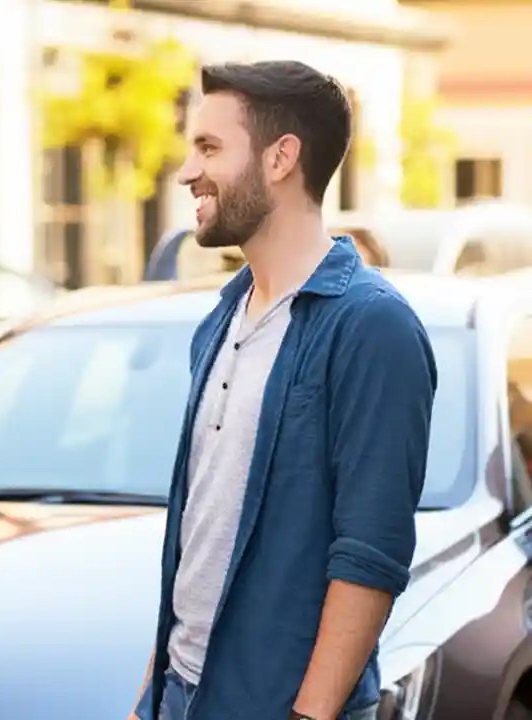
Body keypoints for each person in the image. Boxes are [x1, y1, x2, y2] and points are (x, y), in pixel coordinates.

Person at [128, 60, 437, 720]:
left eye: (209, 148)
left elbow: (371, 552)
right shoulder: (221, 320)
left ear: (280, 158)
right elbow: (198, 536)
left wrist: (311, 714)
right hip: (181, 695)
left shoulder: (371, 326)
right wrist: (150, 694)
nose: (186, 172)